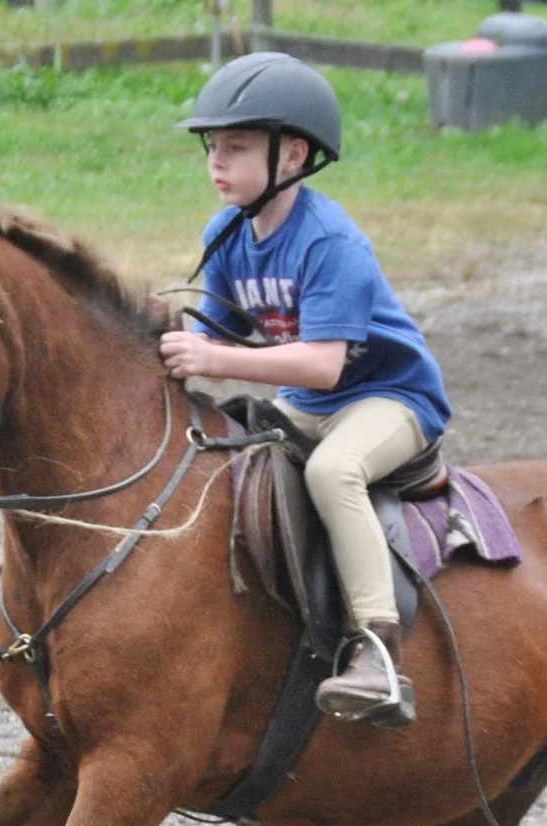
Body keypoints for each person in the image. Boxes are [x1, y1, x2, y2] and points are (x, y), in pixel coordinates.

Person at [159, 52, 452, 727]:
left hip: (390, 398)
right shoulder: (227, 232)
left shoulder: (330, 241)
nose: (216, 162)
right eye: (212, 146)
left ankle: (379, 650)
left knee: (334, 471)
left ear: (292, 155)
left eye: (235, 147)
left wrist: (213, 354)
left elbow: (322, 365)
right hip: (313, 402)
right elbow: (215, 329)